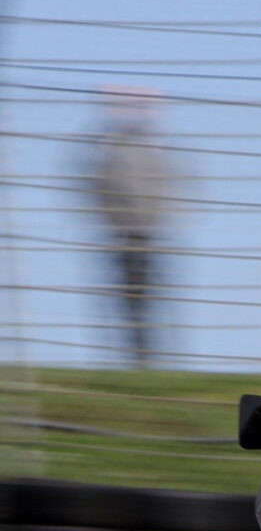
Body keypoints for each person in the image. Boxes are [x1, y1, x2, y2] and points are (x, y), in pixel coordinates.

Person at [86, 87, 173, 365]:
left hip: (142, 236)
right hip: (126, 236)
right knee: (131, 303)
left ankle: (142, 357)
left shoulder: (139, 154)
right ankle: (137, 358)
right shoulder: (118, 153)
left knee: (142, 303)